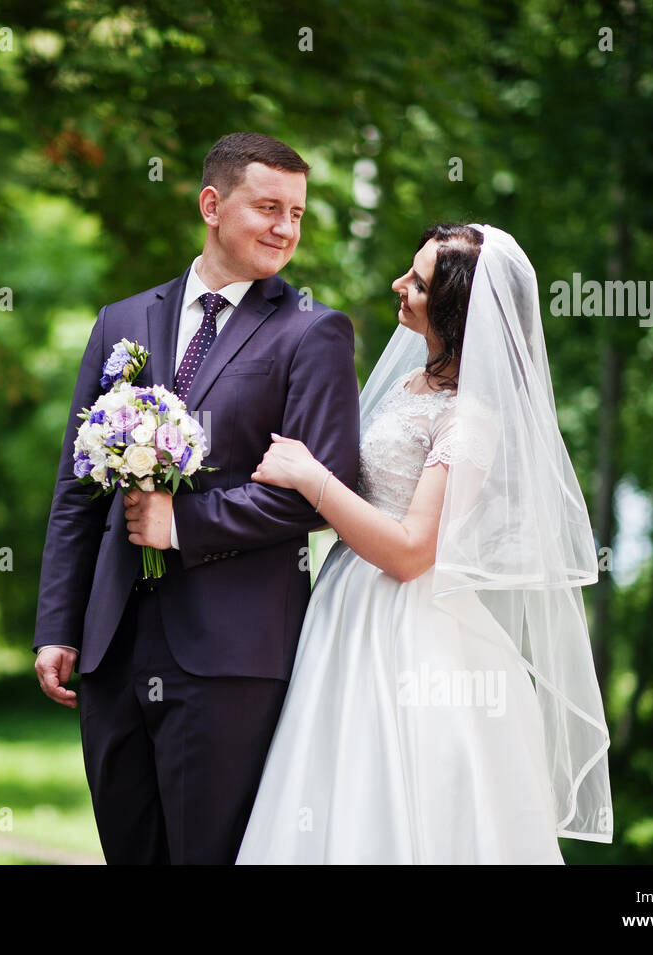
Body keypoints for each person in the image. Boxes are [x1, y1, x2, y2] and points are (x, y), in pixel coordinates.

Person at [237, 223, 613, 863]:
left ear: (454, 313)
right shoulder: (411, 385)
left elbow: (414, 552)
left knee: (395, 789)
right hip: (346, 607)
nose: (399, 286)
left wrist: (309, 477)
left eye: (417, 283)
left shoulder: (470, 417)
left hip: (405, 631)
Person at [32, 133, 361, 864]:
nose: (286, 228)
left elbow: (318, 498)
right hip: (113, 649)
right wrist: (58, 624)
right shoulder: (120, 322)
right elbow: (76, 490)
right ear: (212, 205)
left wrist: (183, 523)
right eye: (268, 207)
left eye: (298, 213)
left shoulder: (314, 333)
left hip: (231, 657)